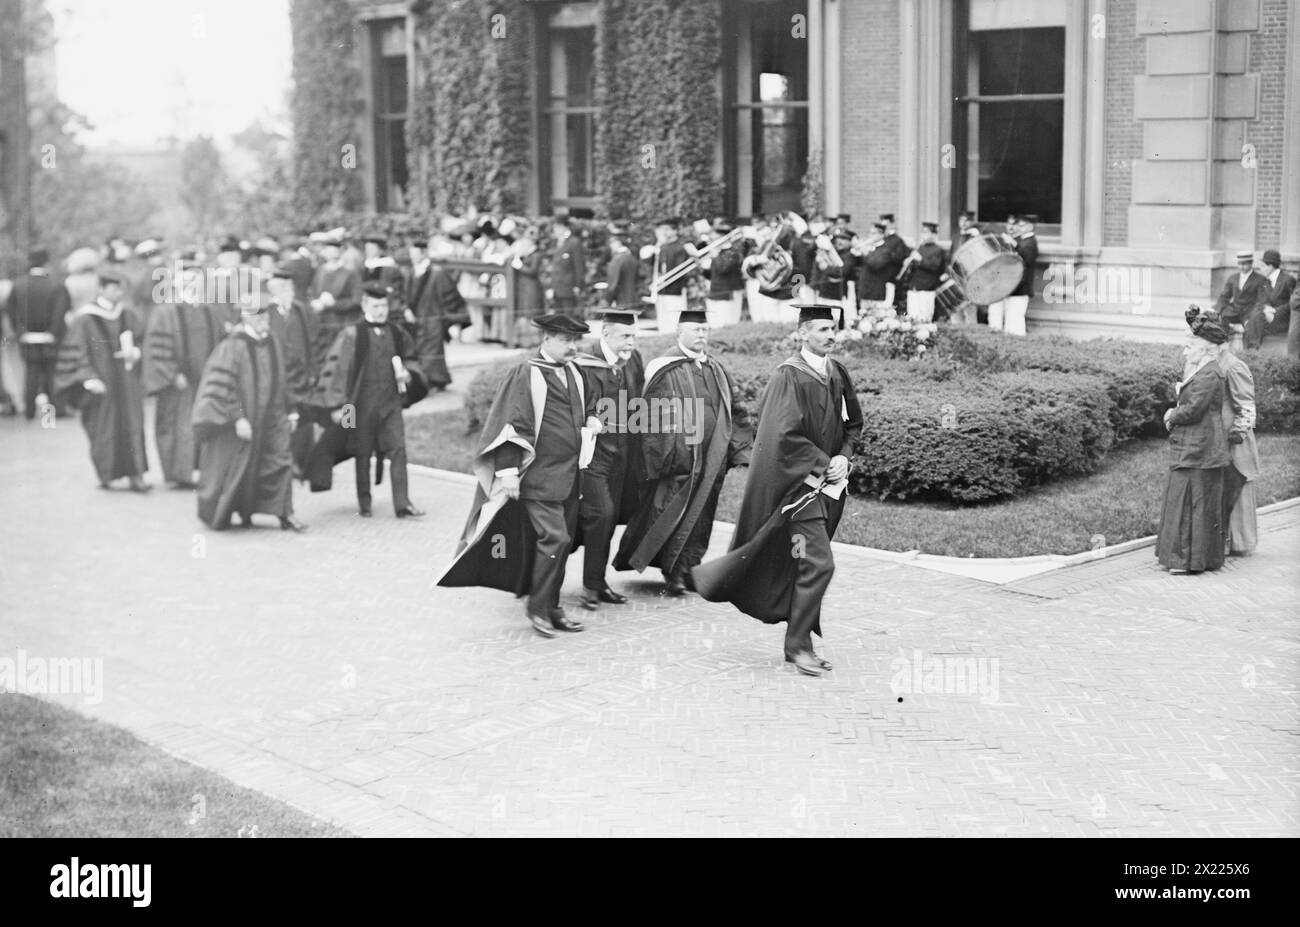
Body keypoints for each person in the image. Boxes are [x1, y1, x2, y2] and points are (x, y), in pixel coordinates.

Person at [693, 304, 863, 677]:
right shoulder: (788, 377)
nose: (830, 335)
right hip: (797, 494)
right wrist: (824, 462)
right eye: (821, 329)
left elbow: (854, 425)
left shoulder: (837, 373)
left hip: (828, 489)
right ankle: (797, 644)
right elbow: (781, 437)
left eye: (832, 329)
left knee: (803, 561)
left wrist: (844, 458)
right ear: (802, 333)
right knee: (819, 562)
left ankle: (799, 643)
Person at [438, 313, 600, 637]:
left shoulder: (577, 372)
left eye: (575, 341)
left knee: (562, 544)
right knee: (556, 538)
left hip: (570, 476)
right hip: (537, 476)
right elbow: (511, 424)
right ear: (547, 339)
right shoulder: (526, 374)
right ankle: (538, 608)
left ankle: (552, 607)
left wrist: (594, 419)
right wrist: (509, 471)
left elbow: (592, 404)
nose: (572, 347)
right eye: (566, 340)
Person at [614, 309, 753, 595]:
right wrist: (668, 456)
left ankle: (689, 567)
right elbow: (652, 416)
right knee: (673, 514)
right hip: (680, 458)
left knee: (702, 516)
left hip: (712, 458)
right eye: (695, 330)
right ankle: (672, 572)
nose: (702, 335)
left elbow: (734, 408)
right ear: (680, 332)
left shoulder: (715, 367)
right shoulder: (664, 366)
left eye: (705, 330)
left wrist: (739, 452)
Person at [308, 283, 427, 519]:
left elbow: (412, 359)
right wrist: (338, 408)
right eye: (376, 305)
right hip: (356, 406)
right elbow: (338, 372)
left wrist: (409, 375)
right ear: (364, 305)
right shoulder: (352, 334)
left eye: (384, 305)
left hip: (391, 403)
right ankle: (364, 504)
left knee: (399, 449)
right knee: (360, 450)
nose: (382, 310)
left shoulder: (396, 332)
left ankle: (402, 504)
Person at [191, 296, 304, 531]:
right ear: (245, 316)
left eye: (266, 315)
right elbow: (223, 386)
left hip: (273, 416)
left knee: (280, 460)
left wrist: (291, 410)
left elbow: (283, 380)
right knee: (236, 467)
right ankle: (232, 513)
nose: (264, 320)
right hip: (245, 418)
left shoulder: (273, 341)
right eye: (258, 316)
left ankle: (285, 513)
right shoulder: (232, 346)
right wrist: (237, 417)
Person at [142, 255, 238, 488]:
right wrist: (172, 374)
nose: (191, 285)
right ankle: (178, 474)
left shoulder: (209, 310)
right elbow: (156, 347)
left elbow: (221, 343)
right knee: (177, 426)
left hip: (205, 379)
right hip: (179, 381)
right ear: (176, 283)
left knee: (202, 422)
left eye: (195, 280)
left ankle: (200, 469)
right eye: (186, 280)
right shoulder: (165, 311)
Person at [572, 308, 646, 610]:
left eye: (634, 336)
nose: (631, 343)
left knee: (610, 517)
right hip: (591, 457)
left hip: (621, 455)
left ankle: (598, 582)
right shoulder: (583, 362)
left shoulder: (633, 359)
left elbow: (637, 401)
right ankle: (589, 585)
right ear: (605, 333)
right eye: (625, 336)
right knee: (600, 514)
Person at [53, 269, 150, 492]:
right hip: (101, 385)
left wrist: (135, 352)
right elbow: (76, 351)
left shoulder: (127, 314)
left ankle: (136, 475)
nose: (119, 293)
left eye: (121, 289)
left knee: (133, 425)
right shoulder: (85, 318)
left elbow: (143, 340)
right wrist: (87, 378)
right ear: (102, 289)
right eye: (115, 288)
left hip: (127, 383)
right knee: (102, 429)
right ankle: (106, 474)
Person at [1155, 311, 1230, 574]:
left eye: (1190, 347)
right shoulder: (1205, 370)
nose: (1186, 352)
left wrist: (1170, 415)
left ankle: (1188, 561)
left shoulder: (1209, 374)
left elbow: (1193, 410)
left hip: (1200, 449)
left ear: (1206, 349)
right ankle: (1186, 558)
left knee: (1193, 502)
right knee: (1190, 501)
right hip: (1196, 446)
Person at [1187, 307, 1260, 557]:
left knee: (1234, 489)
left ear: (1218, 343)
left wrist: (1236, 433)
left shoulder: (1233, 366)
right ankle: (1219, 542)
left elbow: (1247, 408)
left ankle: (1238, 542)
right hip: (1213, 438)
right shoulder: (1207, 362)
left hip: (1233, 441)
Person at [264, 263, 320, 477]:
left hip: (302, 373)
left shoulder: (300, 310)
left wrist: (314, 370)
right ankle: (282, 461)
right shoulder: (266, 312)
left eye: (290, 287)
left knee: (304, 417)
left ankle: (304, 462)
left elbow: (312, 340)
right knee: (282, 418)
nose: (288, 292)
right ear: (274, 290)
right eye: (283, 288)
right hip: (278, 374)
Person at [3, 248, 69, 420]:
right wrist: (53, 333)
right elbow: (60, 312)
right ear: (46, 262)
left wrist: (21, 332)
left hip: (28, 337)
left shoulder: (18, 285)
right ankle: (55, 410)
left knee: (31, 373)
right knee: (51, 373)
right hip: (50, 338)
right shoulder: (56, 284)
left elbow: (11, 312)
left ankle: (30, 411)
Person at [411, 233, 458, 389]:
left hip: (433, 315)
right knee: (421, 348)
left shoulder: (437, 272)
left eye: (415, 254)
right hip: (417, 316)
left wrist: (449, 317)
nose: (412, 258)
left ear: (424, 253)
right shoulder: (412, 272)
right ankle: (433, 380)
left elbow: (448, 294)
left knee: (432, 349)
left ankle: (435, 380)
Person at [308, 229, 363, 363]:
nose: (331, 252)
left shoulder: (350, 274)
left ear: (340, 251)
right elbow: (312, 293)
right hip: (322, 324)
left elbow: (357, 301)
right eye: (328, 249)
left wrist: (334, 304)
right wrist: (315, 303)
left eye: (334, 249)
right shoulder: (320, 271)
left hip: (341, 323)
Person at [1215, 250, 1270, 351]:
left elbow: (1262, 300)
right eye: (1239, 264)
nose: (1241, 267)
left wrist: (1254, 314)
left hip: (1249, 311)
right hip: (1235, 310)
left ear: (1251, 264)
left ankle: (1249, 353)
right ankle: (1222, 349)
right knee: (1219, 319)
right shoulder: (1233, 278)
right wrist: (1219, 309)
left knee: (1251, 327)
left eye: (1244, 264)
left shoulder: (1260, 279)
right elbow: (1224, 296)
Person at [648, 217, 691, 332]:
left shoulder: (680, 248)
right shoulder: (662, 247)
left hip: (674, 290)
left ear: (675, 231)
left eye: (667, 230)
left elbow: (679, 271)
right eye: (663, 230)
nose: (664, 233)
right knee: (663, 321)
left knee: (674, 320)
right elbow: (654, 267)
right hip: (662, 290)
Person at [702, 218, 745, 328]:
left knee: (727, 325)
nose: (712, 241)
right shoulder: (717, 252)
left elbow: (723, 269)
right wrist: (702, 267)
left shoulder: (733, 252)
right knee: (714, 325)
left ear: (723, 238)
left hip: (728, 294)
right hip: (714, 292)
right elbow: (710, 276)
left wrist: (715, 256)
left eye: (714, 238)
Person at [903, 221, 947, 323]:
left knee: (925, 319)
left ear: (934, 234)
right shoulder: (919, 248)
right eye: (922, 232)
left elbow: (935, 267)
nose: (923, 235)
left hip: (927, 288)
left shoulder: (938, 250)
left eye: (926, 232)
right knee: (911, 318)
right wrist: (908, 262)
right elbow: (913, 268)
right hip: (914, 287)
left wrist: (920, 259)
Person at [1003, 214, 1038, 336]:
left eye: (1022, 225)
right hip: (1016, 288)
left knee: (1015, 322)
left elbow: (1026, 258)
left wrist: (1014, 244)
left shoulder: (1030, 242)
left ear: (1031, 226)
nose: (1018, 228)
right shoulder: (1024, 241)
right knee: (1011, 321)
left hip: (1021, 288)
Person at [547, 215, 586, 317]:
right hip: (557, 288)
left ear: (562, 226)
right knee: (558, 319)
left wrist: (578, 285)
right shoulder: (556, 242)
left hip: (569, 288)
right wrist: (551, 286)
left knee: (570, 319)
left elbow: (579, 266)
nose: (554, 230)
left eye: (556, 227)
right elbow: (555, 266)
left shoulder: (574, 242)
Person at [604, 225, 641, 311]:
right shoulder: (632, 258)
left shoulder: (617, 260)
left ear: (618, 243)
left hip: (620, 304)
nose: (610, 246)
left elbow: (613, 286)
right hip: (634, 302)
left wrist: (607, 301)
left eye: (612, 243)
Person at [1261, 249, 1294, 341]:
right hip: (1268, 317)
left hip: (1283, 319)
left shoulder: (1288, 280)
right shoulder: (1266, 281)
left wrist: (1275, 311)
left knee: (1255, 319)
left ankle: (1250, 350)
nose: (1261, 269)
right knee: (1254, 316)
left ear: (1270, 266)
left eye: (1263, 266)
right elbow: (1264, 299)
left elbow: (1294, 303)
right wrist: (1266, 308)